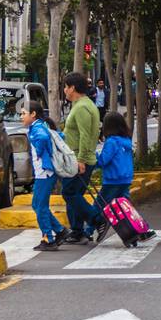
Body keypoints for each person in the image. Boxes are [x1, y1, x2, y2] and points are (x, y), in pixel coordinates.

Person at [59, 72, 101, 244]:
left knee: (68, 193)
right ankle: (77, 230)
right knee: (75, 194)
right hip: (75, 158)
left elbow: (85, 135)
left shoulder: (82, 107)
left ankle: (96, 219)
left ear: (73, 88)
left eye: (66, 87)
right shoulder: (82, 104)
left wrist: (81, 159)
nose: (64, 90)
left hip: (79, 158)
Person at [21, 101, 64, 251]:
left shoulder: (37, 128)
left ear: (33, 114)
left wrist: (39, 151)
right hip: (44, 172)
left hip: (45, 172)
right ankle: (59, 230)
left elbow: (44, 139)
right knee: (37, 205)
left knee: (40, 206)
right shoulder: (38, 126)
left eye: (23, 113)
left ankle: (48, 239)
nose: (21, 117)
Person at [92, 111, 134, 243]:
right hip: (126, 179)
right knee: (124, 208)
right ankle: (133, 231)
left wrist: (93, 160)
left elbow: (104, 160)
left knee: (98, 205)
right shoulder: (126, 140)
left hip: (112, 180)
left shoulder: (111, 142)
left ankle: (92, 228)